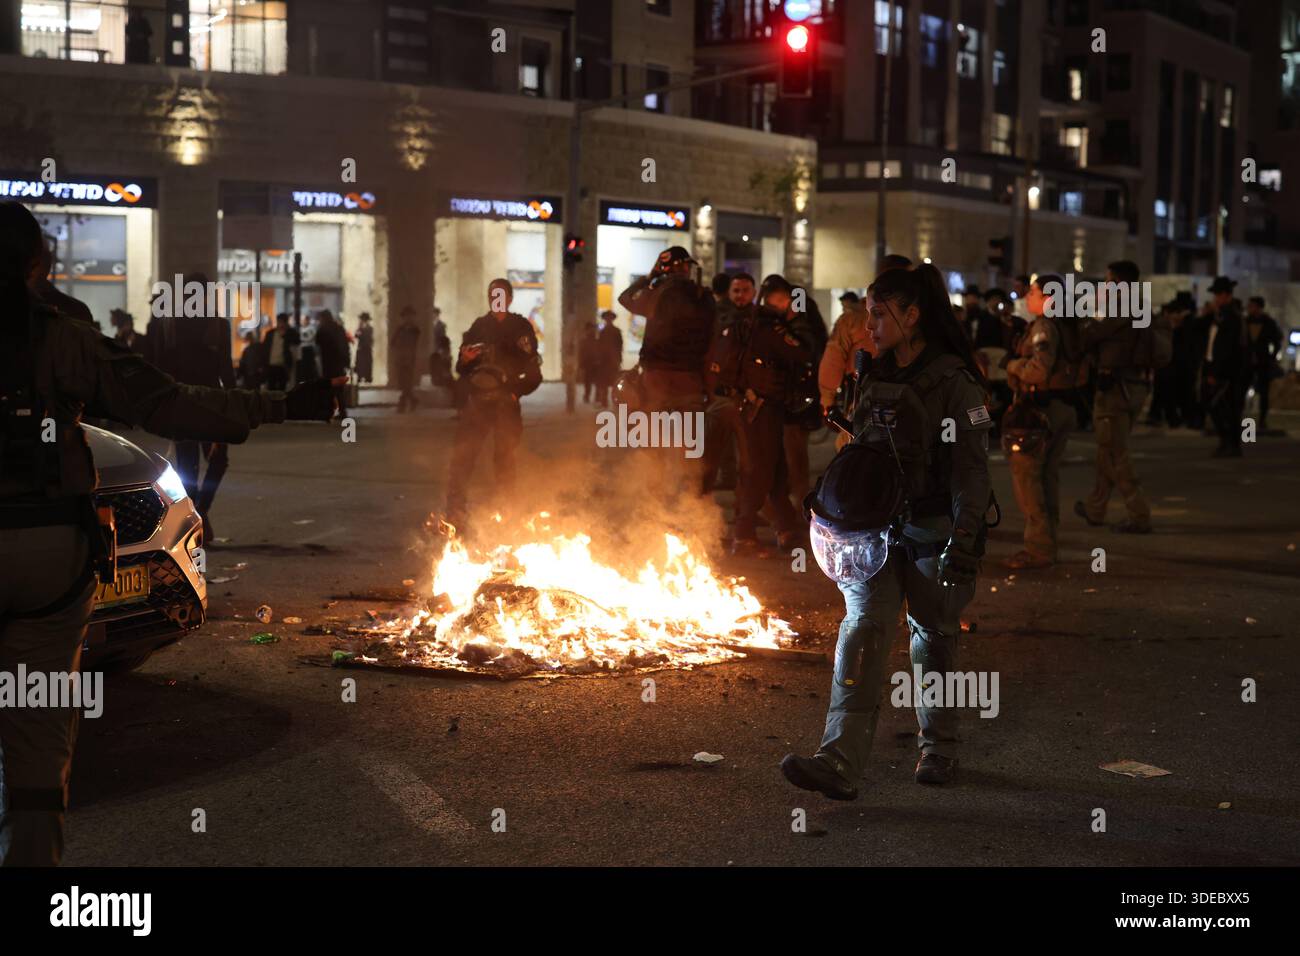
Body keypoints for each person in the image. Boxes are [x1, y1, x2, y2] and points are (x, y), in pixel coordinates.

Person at [0, 200, 338, 865]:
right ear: (38, 264)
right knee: (39, 750)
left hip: (50, 554)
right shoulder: (59, 336)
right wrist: (286, 403)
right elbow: (170, 401)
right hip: (48, 562)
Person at [781, 263, 993, 798]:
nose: (868, 326)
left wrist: (964, 542)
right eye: (869, 314)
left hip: (934, 532)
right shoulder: (873, 372)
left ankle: (939, 747)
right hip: (873, 533)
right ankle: (838, 762)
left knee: (933, 637)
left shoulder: (957, 383)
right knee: (861, 633)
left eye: (879, 315)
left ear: (913, 315)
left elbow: (972, 469)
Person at [1003, 273, 1088, 570]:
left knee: (1028, 479)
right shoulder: (1068, 325)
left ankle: (1038, 548)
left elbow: (1038, 370)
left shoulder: (1044, 327)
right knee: (1047, 478)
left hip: (1040, 411)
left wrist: (1012, 365)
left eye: (1034, 292)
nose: (1029, 296)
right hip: (1062, 407)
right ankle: (1047, 542)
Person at [145, 272, 238, 541]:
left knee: (189, 465)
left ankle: (197, 512)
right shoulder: (217, 325)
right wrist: (232, 407)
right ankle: (201, 511)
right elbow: (225, 371)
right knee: (216, 460)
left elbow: (161, 368)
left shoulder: (171, 324)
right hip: (210, 404)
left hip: (183, 402)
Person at [444, 278, 542, 529]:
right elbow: (460, 369)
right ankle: (455, 513)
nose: (496, 298)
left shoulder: (521, 328)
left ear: (509, 298)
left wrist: (514, 393)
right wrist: (466, 360)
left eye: (501, 294)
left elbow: (534, 375)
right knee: (463, 457)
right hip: (478, 403)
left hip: (505, 405)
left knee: (504, 460)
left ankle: (506, 513)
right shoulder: (478, 327)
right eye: (492, 294)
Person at [617, 246, 715, 494]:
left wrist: (649, 277)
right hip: (690, 380)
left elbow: (625, 298)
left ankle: (655, 502)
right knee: (690, 448)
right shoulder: (702, 296)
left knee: (653, 444)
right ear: (684, 267)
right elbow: (712, 339)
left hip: (656, 379)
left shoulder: (655, 295)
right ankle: (692, 503)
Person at [727, 277, 809, 556]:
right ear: (775, 300)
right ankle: (744, 533)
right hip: (762, 408)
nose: (789, 305)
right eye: (786, 300)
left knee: (775, 470)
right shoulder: (770, 328)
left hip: (755, 406)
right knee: (761, 471)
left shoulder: (750, 324)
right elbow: (803, 353)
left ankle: (787, 528)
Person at [1073, 260, 1153, 534]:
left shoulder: (1120, 306)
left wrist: (1083, 318)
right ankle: (1096, 508)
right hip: (1133, 385)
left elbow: (1090, 335)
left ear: (1118, 282)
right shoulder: (1141, 304)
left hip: (1116, 389)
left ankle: (1139, 514)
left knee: (1116, 452)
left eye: (1108, 281)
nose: (1104, 286)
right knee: (1106, 449)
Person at [764, 278, 825, 514]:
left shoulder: (799, 317)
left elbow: (806, 349)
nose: (776, 306)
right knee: (790, 454)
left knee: (795, 455)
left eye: (778, 300)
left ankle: (800, 505)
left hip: (798, 397)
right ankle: (793, 503)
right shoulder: (796, 314)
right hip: (791, 396)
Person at [1203, 276, 1251, 457]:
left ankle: (1231, 443)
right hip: (1221, 368)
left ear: (1226, 295)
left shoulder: (1231, 317)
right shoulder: (1221, 315)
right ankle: (1228, 442)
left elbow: (1227, 347)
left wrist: (1216, 371)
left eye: (1218, 295)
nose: (1215, 299)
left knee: (1227, 408)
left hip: (1230, 372)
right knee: (1221, 407)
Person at [1245, 296, 1283, 432]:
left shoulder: (1268, 322)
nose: (1250, 309)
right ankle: (1245, 421)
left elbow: (1277, 341)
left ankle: (1261, 420)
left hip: (1263, 361)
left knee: (1264, 392)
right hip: (1247, 361)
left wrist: (1271, 358)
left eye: (1252, 306)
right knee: (1243, 388)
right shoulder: (1245, 321)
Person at [314, 309, 351, 420]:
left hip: (328, 363)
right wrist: (346, 361)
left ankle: (329, 411)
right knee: (339, 388)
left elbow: (318, 341)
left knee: (329, 387)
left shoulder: (323, 329)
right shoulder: (339, 328)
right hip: (338, 363)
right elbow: (344, 346)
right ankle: (342, 410)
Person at [390, 306, 421, 413]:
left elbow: (414, 344)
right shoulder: (400, 329)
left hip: (409, 359)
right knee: (403, 382)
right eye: (406, 316)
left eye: (410, 316)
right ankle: (412, 400)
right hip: (400, 358)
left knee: (407, 382)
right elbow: (392, 342)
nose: (408, 318)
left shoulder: (415, 330)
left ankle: (402, 403)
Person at [262, 313, 299, 392]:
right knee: (271, 388)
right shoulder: (270, 334)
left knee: (282, 389)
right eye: (279, 322)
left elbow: (297, 340)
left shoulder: (290, 333)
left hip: (283, 366)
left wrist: (286, 333)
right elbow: (265, 349)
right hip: (271, 366)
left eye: (282, 322)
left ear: (286, 323)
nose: (280, 324)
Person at [594, 310, 622, 407]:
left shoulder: (616, 331)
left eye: (610, 318)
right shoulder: (602, 332)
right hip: (604, 361)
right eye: (607, 318)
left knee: (615, 382)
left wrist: (618, 359)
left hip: (613, 360)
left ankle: (616, 402)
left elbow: (619, 346)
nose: (608, 319)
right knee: (604, 382)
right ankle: (604, 401)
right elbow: (598, 345)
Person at [578, 319, 599, 403]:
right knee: (587, 382)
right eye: (589, 329)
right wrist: (581, 364)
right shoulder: (584, 341)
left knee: (597, 382)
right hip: (588, 364)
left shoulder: (597, 340)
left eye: (592, 329)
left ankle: (596, 397)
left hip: (596, 363)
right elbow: (581, 353)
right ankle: (587, 396)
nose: (591, 331)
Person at [354, 312, 375, 384]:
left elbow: (369, 338)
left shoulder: (370, 328)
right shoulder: (360, 328)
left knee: (367, 364)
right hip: (361, 349)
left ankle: (367, 377)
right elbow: (356, 335)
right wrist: (359, 328)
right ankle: (360, 376)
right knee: (360, 364)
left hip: (367, 349)